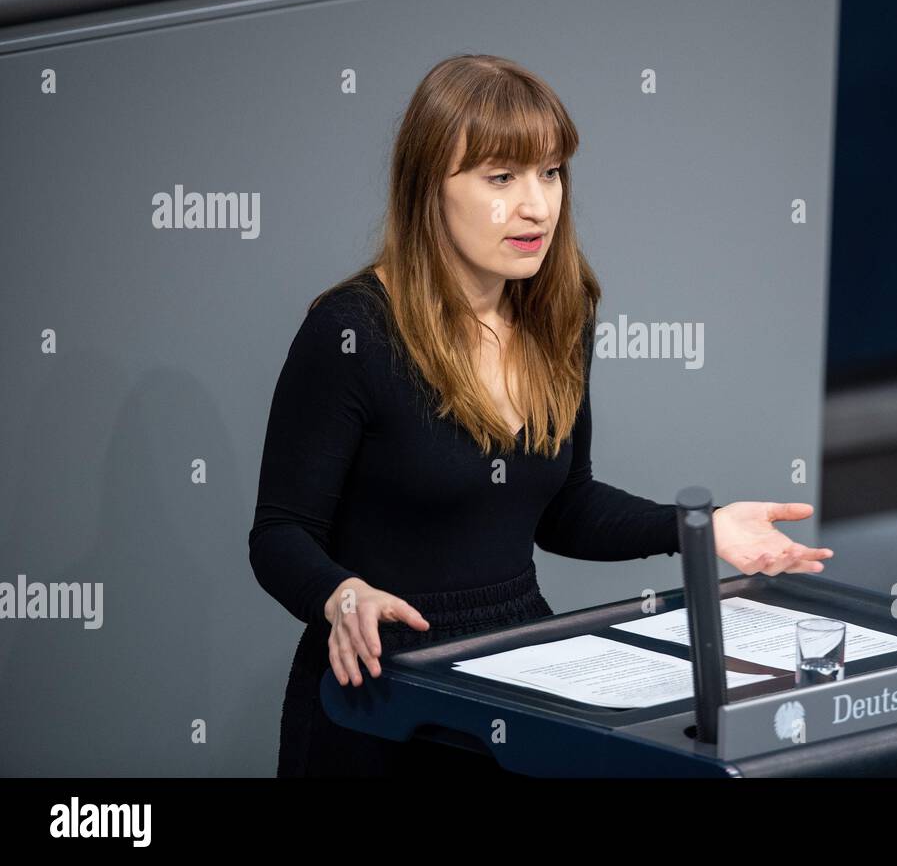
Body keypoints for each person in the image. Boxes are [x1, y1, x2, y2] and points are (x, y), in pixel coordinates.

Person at [248, 53, 834, 778]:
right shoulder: (353, 333)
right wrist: (341, 595)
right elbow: (279, 534)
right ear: (430, 187)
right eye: (502, 178)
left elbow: (565, 507)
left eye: (550, 173)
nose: (538, 206)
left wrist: (700, 529)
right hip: (381, 696)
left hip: (520, 671)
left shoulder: (560, 314)